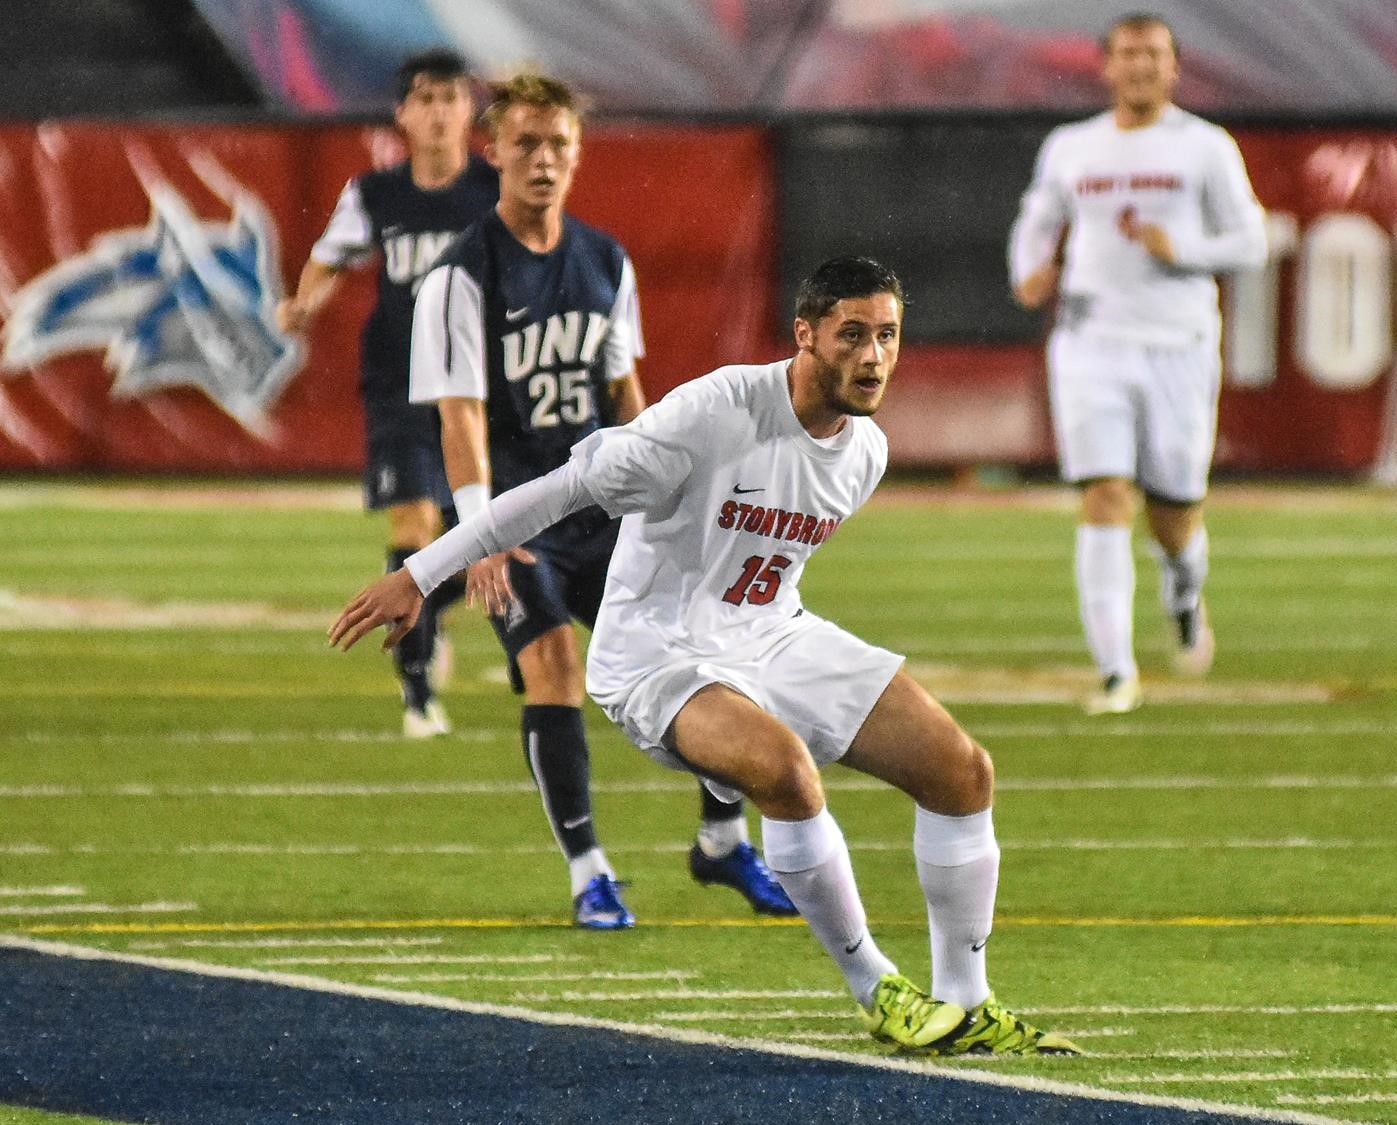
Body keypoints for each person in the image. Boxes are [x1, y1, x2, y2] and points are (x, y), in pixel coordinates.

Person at [332, 255, 1079, 1056]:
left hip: (769, 631)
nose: (873, 356)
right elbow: (556, 492)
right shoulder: (713, 412)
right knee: (785, 770)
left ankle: (965, 1004)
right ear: (806, 336)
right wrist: (420, 573)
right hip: (658, 653)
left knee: (962, 770)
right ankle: (878, 988)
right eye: (853, 335)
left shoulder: (867, 452)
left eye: (888, 336)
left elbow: (766, 570)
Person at [406, 71, 794, 929]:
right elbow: (460, 414)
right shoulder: (462, 272)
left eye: (560, 145)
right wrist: (478, 532)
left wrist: (675, 488)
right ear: (494, 150)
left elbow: (624, 393)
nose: (544, 160)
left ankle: (723, 842)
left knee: (703, 647)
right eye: (528, 144)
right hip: (517, 511)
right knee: (554, 665)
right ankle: (589, 870)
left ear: (578, 155)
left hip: (603, 504)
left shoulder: (603, 258)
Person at [1008, 12, 1268, 715]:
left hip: (1178, 344)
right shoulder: (1072, 146)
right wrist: (1030, 269)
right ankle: (1116, 670)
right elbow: (1036, 221)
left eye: (1153, 54)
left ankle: (1183, 591)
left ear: (1175, 67)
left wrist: (1181, 247)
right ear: (1107, 66)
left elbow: (1251, 240)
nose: (1141, 66)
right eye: (1129, 54)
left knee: (1176, 510)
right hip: (1091, 343)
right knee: (1104, 494)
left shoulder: (1204, 147)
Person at [278, 49, 498, 739]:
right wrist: (305, 302)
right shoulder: (376, 194)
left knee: (497, 535)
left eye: (450, 98)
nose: (438, 112)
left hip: (484, 389)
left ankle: (429, 606)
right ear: (401, 114)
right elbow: (332, 253)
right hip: (401, 384)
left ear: (470, 110)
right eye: (424, 99)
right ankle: (418, 690)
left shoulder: (498, 191)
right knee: (412, 531)